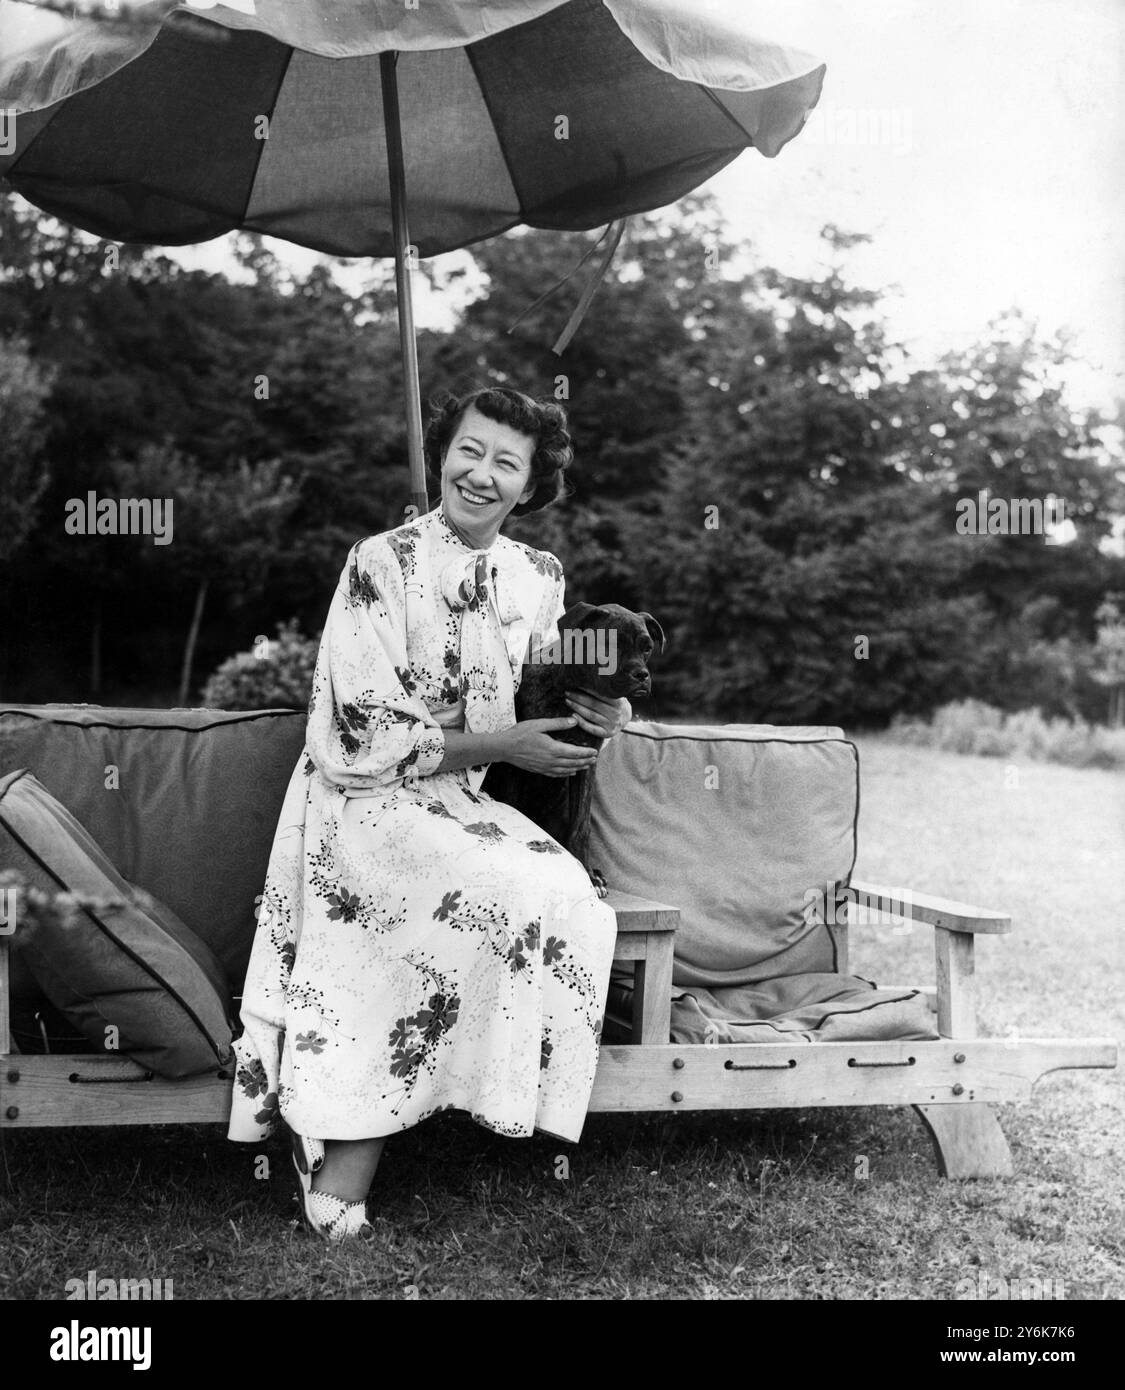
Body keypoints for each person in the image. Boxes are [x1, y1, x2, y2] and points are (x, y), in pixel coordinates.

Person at [228, 386, 631, 1240]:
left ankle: (464, 1104)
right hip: (361, 802)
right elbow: (356, 732)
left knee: (563, 897)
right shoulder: (380, 561)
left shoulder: (539, 576)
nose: (480, 474)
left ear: (531, 485)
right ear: (441, 455)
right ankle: (339, 1141)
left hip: (461, 801)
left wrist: (602, 709)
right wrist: (498, 742)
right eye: (468, 451)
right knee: (478, 889)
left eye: (505, 463)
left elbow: (544, 688)